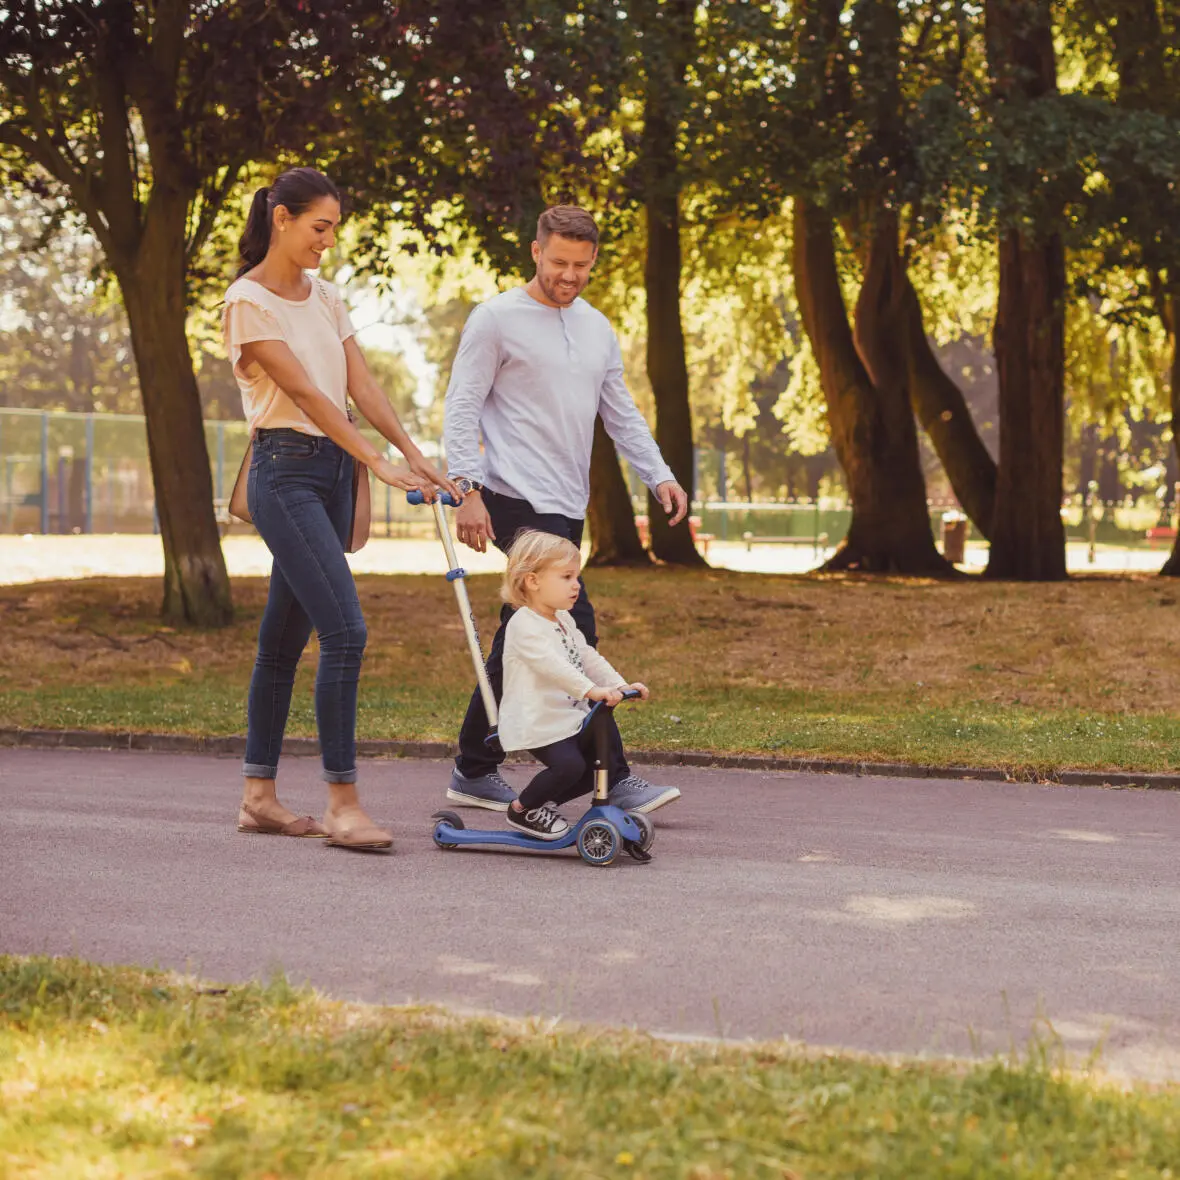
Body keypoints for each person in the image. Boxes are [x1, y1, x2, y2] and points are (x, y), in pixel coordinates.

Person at [222, 166, 457, 852]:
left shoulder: (325, 296)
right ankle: (343, 804)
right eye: (319, 227)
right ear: (282, 218)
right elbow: (308, 397)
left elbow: (359, 383)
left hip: (326, 475)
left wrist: (413, 453)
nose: (328, 241)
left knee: (281, 644)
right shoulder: (247, 301)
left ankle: (258, 798)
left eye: (334, 229)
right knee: (346, 632)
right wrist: (372, 458)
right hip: (285, 472)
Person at [443, 204, 687, 815]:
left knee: (521, 637)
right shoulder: (496, 319)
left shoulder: (597, 327)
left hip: (563, 505)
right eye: (558, 263)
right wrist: (466, 490)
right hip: (510, 496)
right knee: (573, 625)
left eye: (581, 265)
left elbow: (620, 412)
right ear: (535, 251)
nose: (569, 275)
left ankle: (474, 766)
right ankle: (615, 773)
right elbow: (461, 406)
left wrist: (657, 473)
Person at [496, 531, 651, 839]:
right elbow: (552, 667)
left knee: (596, 762)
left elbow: (586, 655)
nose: (576, 584)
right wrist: (590, 691)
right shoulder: (524, 624)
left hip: (565, 715)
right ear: (532, 581)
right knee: (568, 767)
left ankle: (542, 804)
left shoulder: (564, 619)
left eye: (576, 576)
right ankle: (522, 809)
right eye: (566, 576)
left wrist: (619, 684)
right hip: (536, 718)